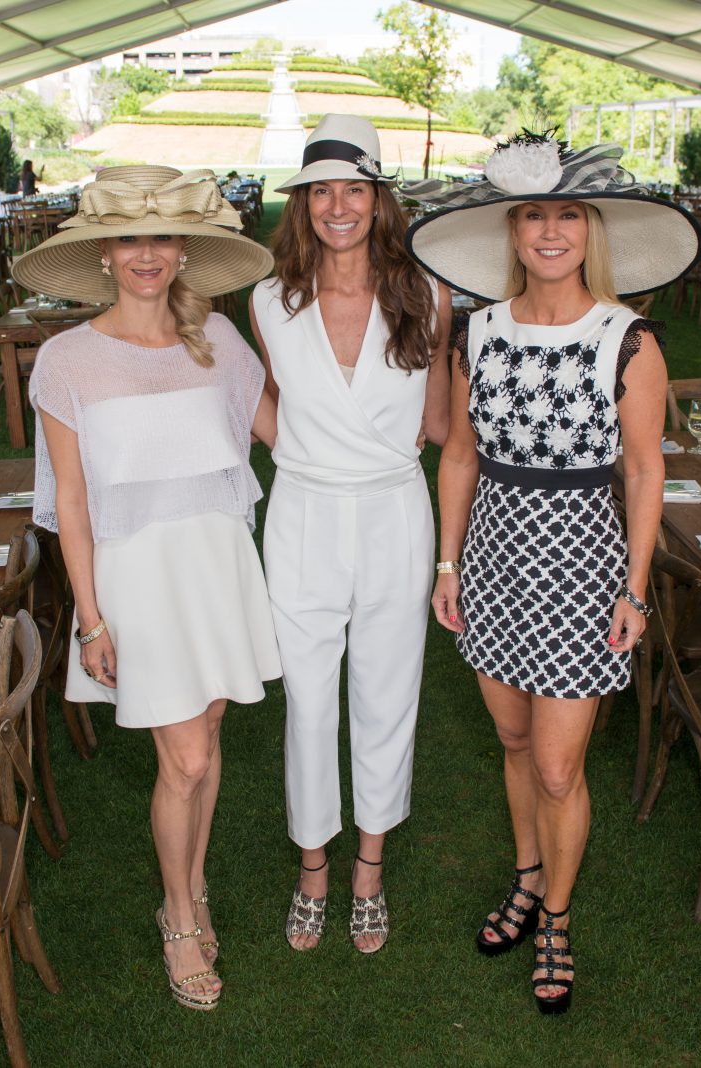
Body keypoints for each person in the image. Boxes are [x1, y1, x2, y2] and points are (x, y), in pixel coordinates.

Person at [410, 135, 701, 1013]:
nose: (549, 230)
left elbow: (646, 472)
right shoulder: (477, 332)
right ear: (511, 227)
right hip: (495, 559)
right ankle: (528, 877)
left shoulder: (628, 339)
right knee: (509, 743)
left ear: (591, 229)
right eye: (533, 214)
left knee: (557, 768)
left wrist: (635, 588)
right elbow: (458, 454)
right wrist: (449, 561)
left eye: (566, 213)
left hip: (582, 565)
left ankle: (559, 919)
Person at [13, 165, 281, 1012]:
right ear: (100, 253)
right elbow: (71, 504)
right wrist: (91, 619)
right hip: (134, 579)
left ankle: (193, 884)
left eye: (164, 238)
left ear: (183, 252)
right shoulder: (66, 361)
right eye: (129, 238)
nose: (148, 255)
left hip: (218, 563)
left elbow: (289, 436)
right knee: (187, 756)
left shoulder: (221, 343)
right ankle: (175, 913)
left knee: (207, 736)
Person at [251, 115, 451, 955]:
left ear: (379, 200)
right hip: (302, 512)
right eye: (322, 190)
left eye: (356, 189)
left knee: (387, 691)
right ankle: (313, 869)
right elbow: (257, 399)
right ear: (303, 203)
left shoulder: (427, 293)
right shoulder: (270, 298)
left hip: (394, 512)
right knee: (306, 698)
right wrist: (297, 447)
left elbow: (440, 420)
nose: (339, 206)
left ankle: (368, 868)